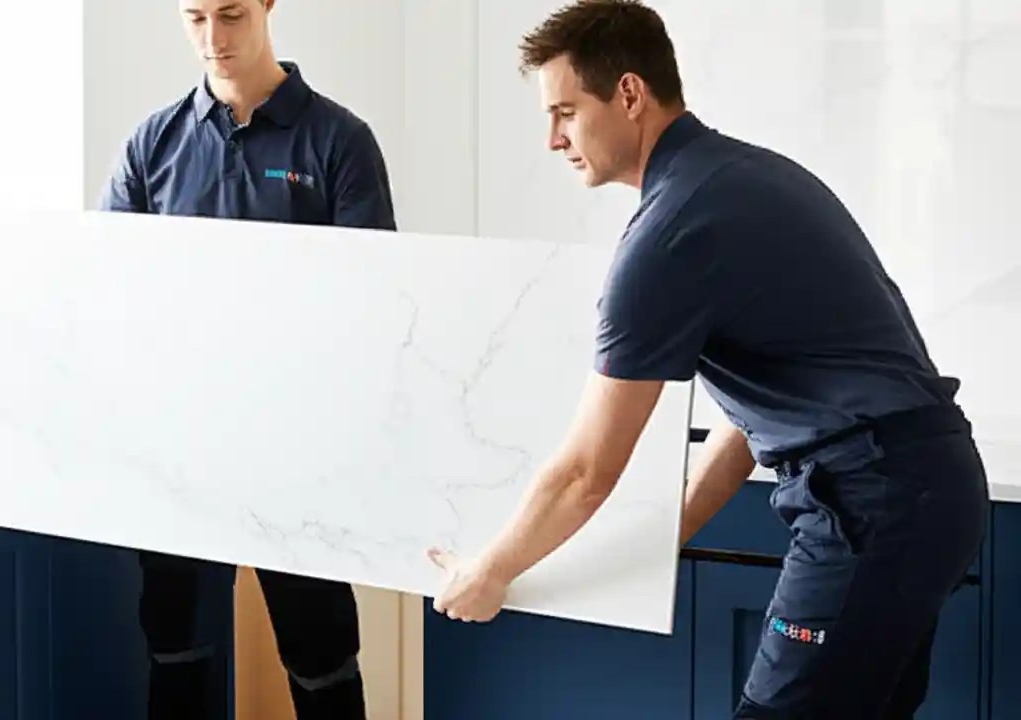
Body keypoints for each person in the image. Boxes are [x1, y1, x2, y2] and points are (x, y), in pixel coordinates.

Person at [425, 1, 989, 718]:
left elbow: (584, 471)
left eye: (564, 111)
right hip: (926, 485)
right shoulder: (742, 178)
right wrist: (661, 542)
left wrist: (490, 571)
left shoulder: (670, 234)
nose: (551, 138)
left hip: (872, 497)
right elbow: (748, 425)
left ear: (629, 94)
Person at [98, 0, 395, 717]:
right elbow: (104, 292)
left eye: (230, 14)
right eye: (194, 17)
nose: (213, 39)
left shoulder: (339, 141)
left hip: (298, 457)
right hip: (179, 455)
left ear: (267, 6)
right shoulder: (153, 144)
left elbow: (372, 308)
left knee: (322, 661)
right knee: (177, 655)